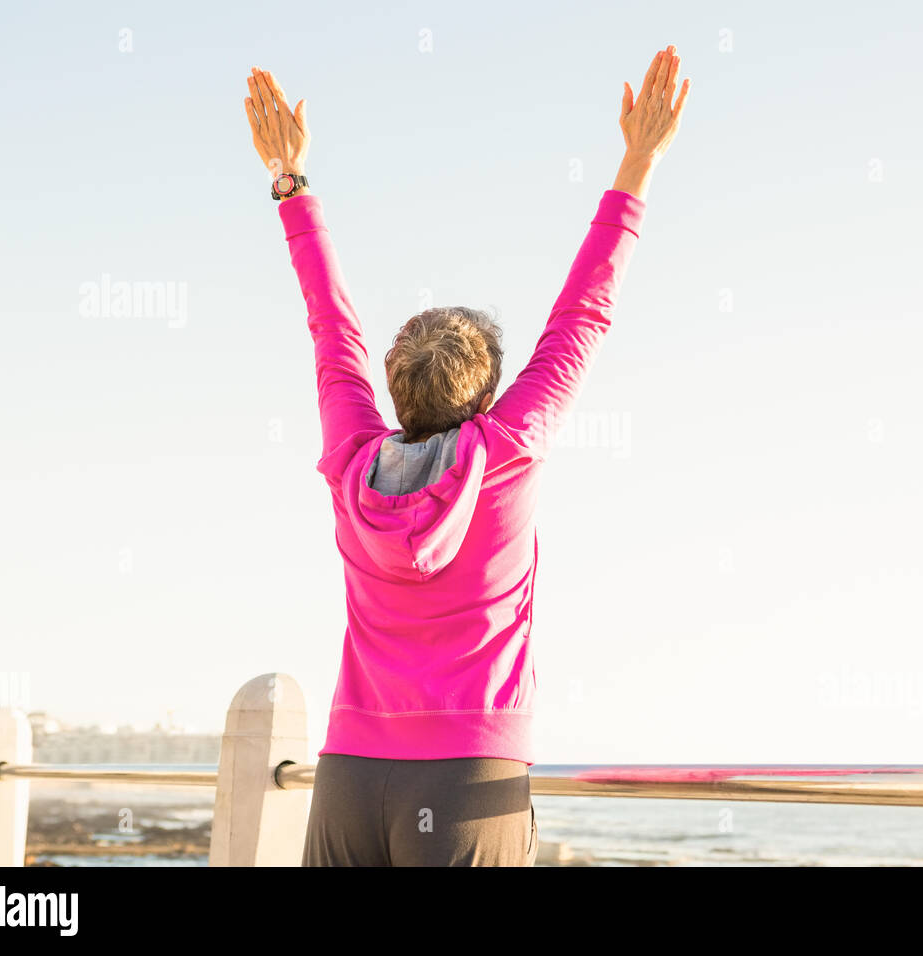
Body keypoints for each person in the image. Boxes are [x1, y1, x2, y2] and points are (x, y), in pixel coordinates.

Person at [242, 45, 690, 866]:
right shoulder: (508, 450)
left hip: (348, 775)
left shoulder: (353, 464)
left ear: (395, 389)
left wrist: (290, 181)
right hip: (466, 779)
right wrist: (639, 161)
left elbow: (329, 326)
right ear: (483, 396)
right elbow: (583, 314)